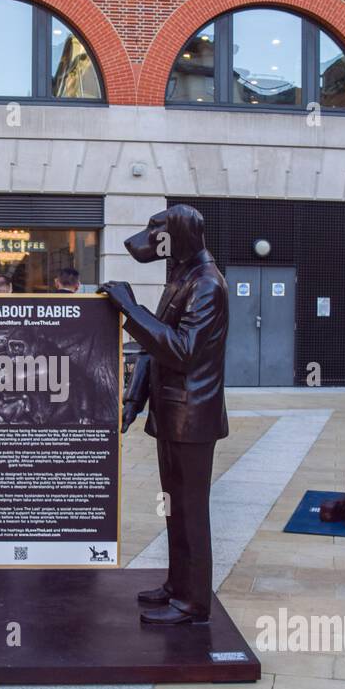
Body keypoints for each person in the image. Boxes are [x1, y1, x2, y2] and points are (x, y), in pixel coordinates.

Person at [99, 204, 229, 625]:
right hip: (172, 414)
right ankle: (178, 585)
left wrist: (128, 311)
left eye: (156, 231)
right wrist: (133, 402)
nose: (147, 238)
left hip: (193, 418)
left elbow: (182, 350)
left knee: (191, 510)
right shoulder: (183, 279)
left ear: (178, 236)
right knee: (174, 506)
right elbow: (155, 352)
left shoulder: (208, 285)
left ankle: (195, 602)